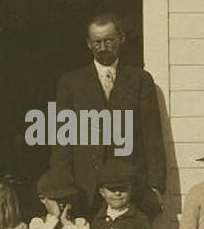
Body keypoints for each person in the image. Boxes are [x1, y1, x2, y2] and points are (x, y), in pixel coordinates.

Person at [50, 13, 166, 216]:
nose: (103, 47)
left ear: (121, 39)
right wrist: (64, 187)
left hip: (130, 186)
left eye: (108, 41)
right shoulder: (71, 83)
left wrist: (156, 187)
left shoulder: (140, 80)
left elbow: (152, 137)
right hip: (85, 189)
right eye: (97, 42)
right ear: (89, 44)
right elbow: (62, 141)